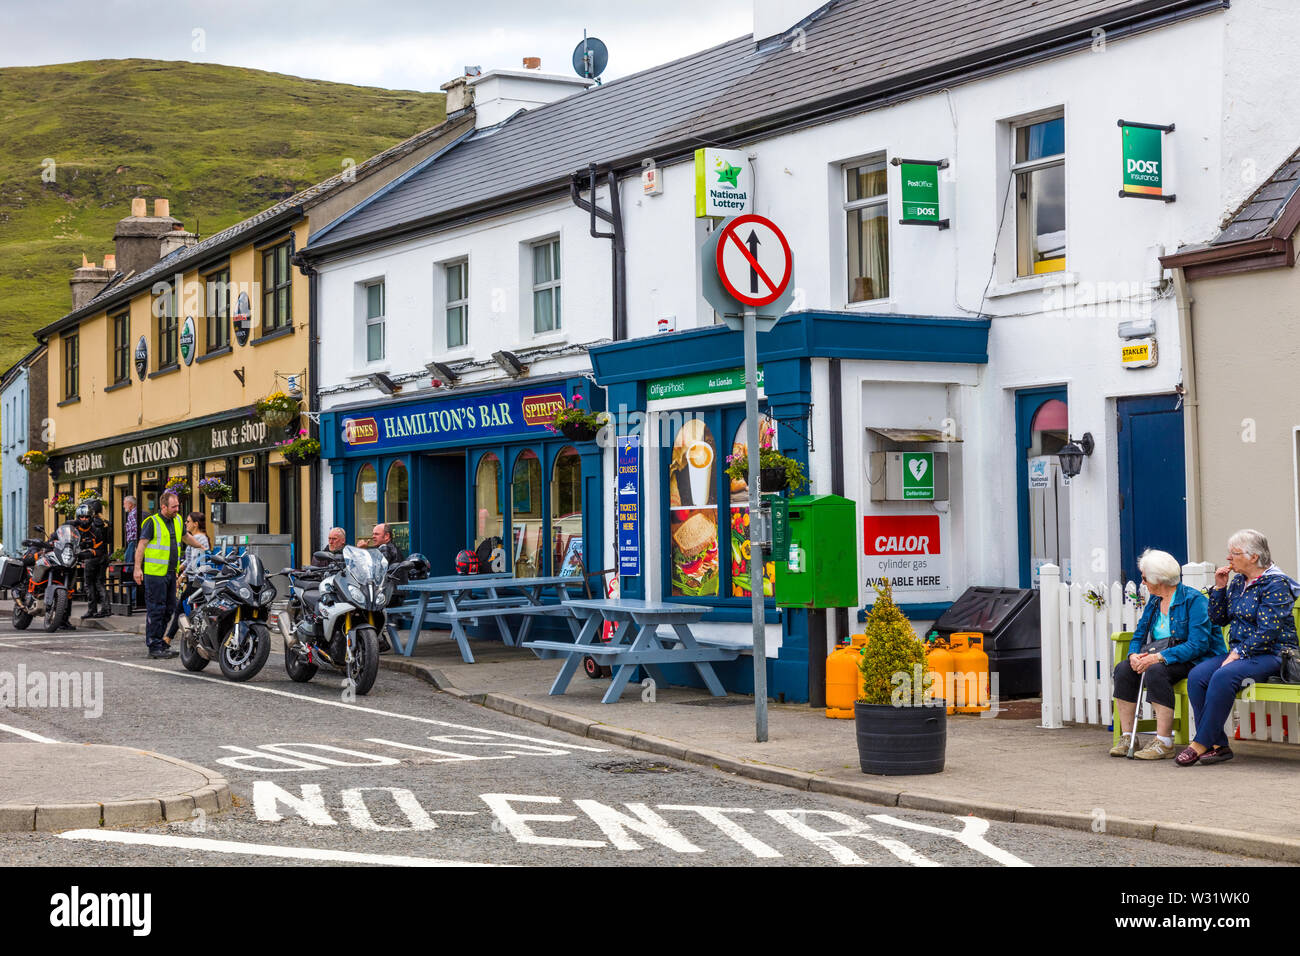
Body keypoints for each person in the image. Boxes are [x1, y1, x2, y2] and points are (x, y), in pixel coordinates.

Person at [1176, 529, 1300, 766]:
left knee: (1224, 675)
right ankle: (1219, 746)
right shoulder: (1238, 583)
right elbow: (1218, 618)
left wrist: (1237, 653)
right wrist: (1220, 589)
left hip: (1274, 654)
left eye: (1234, 553)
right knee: (1198, 675)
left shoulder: (1276, 584)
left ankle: (1200, 743)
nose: (1228, 559)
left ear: (1254, 557)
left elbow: (1269, 631)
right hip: (1243, 654)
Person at [1110, 549, 1221, 759]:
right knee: (1123, 669)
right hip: (1162, 657)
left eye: (1144, 577)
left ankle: (1164, 741)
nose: (1142, 582)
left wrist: (1158, 657)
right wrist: (1134, 655)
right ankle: (1128, 736)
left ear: (1157, 579)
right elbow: (1139, 635)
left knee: (1156, 671)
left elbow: (1198, 644)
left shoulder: (1194, 600)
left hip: (1195, 659)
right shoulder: (1154, 601)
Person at [133, 491, 205, 660]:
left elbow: (186, 537)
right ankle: (154, 645)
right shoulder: (152, 522)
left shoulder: (178, 520)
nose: (177, 509)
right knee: (156, 610)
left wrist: (202, 548)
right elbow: (141, 545)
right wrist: (137, 568)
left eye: (178, 506)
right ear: (163, 506)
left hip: (171, 573)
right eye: (174, 507)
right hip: (154, 574)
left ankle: (160, 643)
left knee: (169, 608)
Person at [165, 511, 210, 645]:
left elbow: (196, 560)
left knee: (180, 607)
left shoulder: (200, 538)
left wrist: (182, 575)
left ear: (195, 524)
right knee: (186, 608)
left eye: (188, 521)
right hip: (194, 579)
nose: (185, 523)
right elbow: (189, 560)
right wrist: (181, 567)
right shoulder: (194, 537)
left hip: (197, 580)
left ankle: (168, 638)